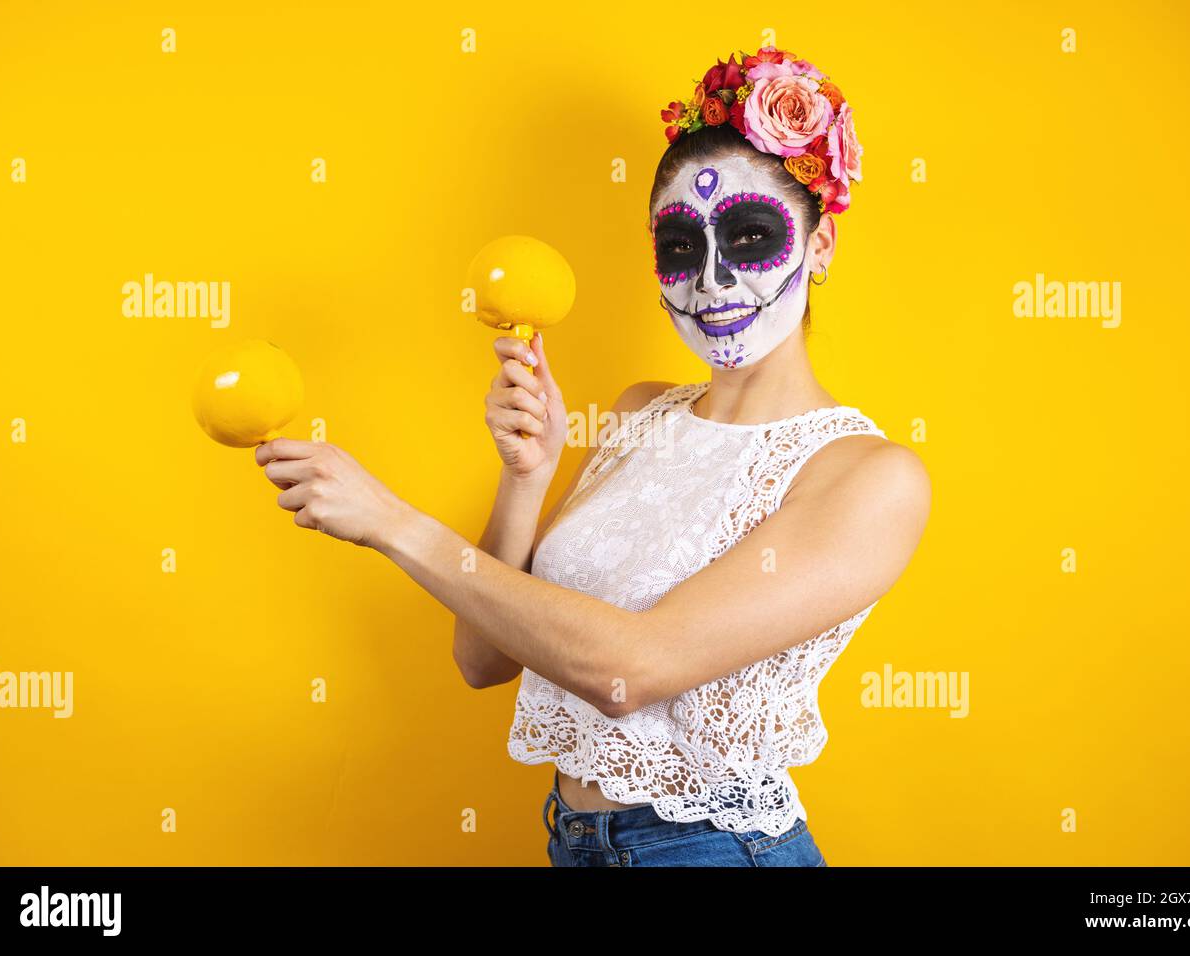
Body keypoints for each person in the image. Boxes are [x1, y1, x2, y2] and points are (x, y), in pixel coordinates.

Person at [256, 45, 930, 867]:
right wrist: (525, 478)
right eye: (681, 246)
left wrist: (394, 523)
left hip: (714, 852)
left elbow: (629, 670)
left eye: (751, 237)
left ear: (820, 245)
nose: (712, 281)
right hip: (573, 840)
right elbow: (484, 657)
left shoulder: (871, 479)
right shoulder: (640, 412)